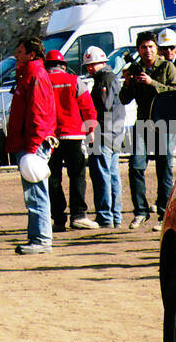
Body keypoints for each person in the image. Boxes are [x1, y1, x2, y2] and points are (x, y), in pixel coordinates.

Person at [121, 30, 176, 230]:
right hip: (143, 123)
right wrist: (128, 82)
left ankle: (164, 213)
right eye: (143, 47)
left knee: (164, 169)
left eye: (150, 47)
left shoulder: (167, 67)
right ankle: (140, 211)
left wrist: (152, 82)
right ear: (138, 49)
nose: (147, 51)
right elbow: (124, 99)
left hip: (165, 123)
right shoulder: (135, 69)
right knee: (136, 166)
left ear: (156, 49)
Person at [7, 37, 57, 254]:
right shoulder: (27, 75)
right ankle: (37, 237)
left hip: (33, 144)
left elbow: (39, 112)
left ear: (31, 54)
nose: (16, 55)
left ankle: (42, 240)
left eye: (20, 51)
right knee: (33, 192)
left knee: (36, 192)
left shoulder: (35, 76)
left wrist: (32, 148)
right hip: (28, 142)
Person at [46, 49, 99, 230]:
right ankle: (78, 215)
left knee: (53, 178)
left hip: (50, 138)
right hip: (74, 136)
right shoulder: (75, 80)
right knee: (77, 176)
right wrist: (91, 129)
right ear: (64, 65)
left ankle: (58, 220)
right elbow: (87, 107)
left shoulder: (42, 82)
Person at [82, 47, 124, 229]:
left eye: (93, 64)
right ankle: (115, 216)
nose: (90, 68)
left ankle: (106, 216)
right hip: (114, 133)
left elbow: (104, 106)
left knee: (102, 175)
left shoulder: (104, 79)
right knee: (112, 175)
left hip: (104, 133)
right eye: (88, 65)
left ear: (103, 63)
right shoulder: (108, 77)